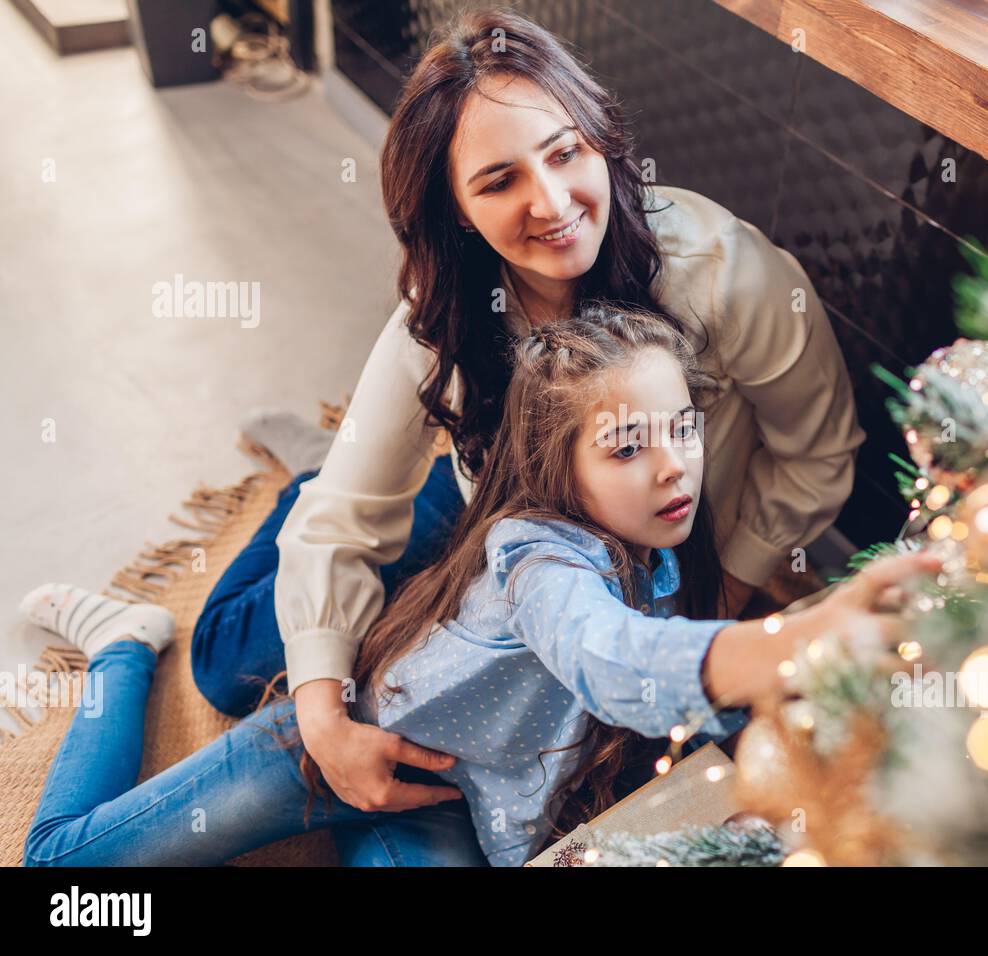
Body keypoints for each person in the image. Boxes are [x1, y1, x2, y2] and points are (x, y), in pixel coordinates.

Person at [190, 6, 866, 851]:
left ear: (599, 139)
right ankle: (320, 468)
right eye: (499, 180)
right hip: (493, 518)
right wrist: (325, 723)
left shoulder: (728, 273)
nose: (552, 203)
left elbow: (820, 452)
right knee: (225, 661)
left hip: (649, 560)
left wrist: (728, 584)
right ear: (457, 209)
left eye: (564, 153)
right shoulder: (437, 316)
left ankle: (361, 469)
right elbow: (345, 526)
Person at [22, 306, 931, 867]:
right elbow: (608, 659)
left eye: (684, 429)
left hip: (449, 804)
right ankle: (121, 646)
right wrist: (788, 643)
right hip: (329, 750)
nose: (674, 469)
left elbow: (666, 699)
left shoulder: (659, 548)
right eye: (626, 446)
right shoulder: (537, 555)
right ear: (558, 467)